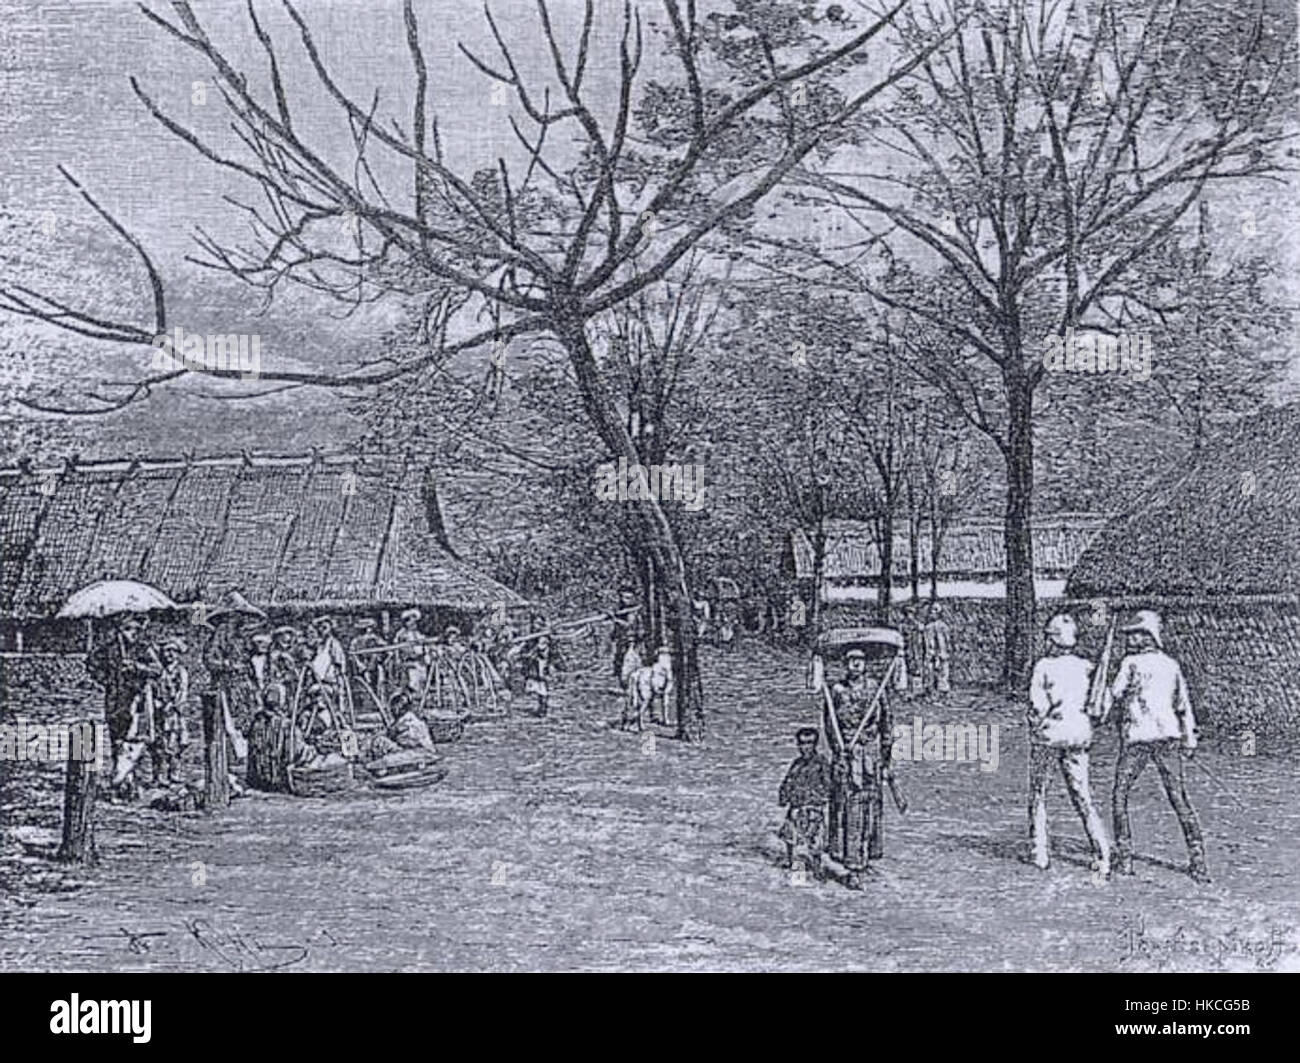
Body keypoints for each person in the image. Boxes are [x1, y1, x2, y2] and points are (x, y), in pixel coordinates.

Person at [1108, 609, 1209, 884]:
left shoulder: (1130, 663)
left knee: (1120, 795)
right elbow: (1184, 706)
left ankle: (1125, 856)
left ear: (1147, 636)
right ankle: (1197, 859)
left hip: (1139, 739)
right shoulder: (1171, 665)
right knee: (1178, 797)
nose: (1129, 638)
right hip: (1167, 738)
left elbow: (1113, 695)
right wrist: (1189, 738)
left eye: (1134, 634)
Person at [1027, 613, 1110, 878]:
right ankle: (1102, 852)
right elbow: (1102, 705)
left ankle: (1040, 852)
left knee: (1039, 794)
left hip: (1050, 736)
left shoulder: (1043, 667)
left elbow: (1037, 706)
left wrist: (1034, 724)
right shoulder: (1088, 667)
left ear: (1052, 639)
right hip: (1079, 735)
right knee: (1083, 796)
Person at [824, 646, 896, 889]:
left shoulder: (876, 689)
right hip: (847, 755)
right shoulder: (836, 690)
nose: (855, 664)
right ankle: (851, 864)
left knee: (870, 807)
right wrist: (839, 749)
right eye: (851, 660)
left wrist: (886, 757)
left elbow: (887, 723)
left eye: (860, 660)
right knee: (849, 808)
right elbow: (830, 725)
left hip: (871, 756)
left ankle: (866, 857)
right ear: (845, 664)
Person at [86, 613, 163, 800]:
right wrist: (108, 680)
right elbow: (91, 665)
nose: (133, 633)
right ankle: (122, 782)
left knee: (135, 742)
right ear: (120, 630)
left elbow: (157, 669)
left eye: (136, 629)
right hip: (115, 700)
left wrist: (136, 667)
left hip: (137, 702)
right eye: (129, 629)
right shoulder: (108, 649)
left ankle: (131, 783)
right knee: (117, 741)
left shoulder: (143, 648)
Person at [202, 590, 267, 789]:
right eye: (236, 615)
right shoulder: (220, 635)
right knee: (228, 727)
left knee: (247, 726)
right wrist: (229, 665)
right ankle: (228, 772)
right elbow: (209, 661)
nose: (239, 620)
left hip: (244, 687)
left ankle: (246, 770)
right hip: (226, 686)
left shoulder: (242, 637)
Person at [777, 727, 830, 875]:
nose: (805, 747)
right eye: (802, 743)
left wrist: (817, 798)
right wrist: (784, 795)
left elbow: (828, 785)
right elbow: (788, 781)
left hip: (812, 808)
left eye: (809, 743)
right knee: (792, 840)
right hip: (795, 808)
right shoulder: (797, 764)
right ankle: (796, 870)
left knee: (815, 843)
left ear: (815, 744)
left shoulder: (821, 763)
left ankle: (818, 870)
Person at [151, 636, 191, 786]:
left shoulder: (181, 672)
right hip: (160, 713)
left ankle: (175, 774)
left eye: (173, 651)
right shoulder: (160, 672)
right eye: (166, 651)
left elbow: (183, 692)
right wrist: (157, 702)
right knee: (160, 745)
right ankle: (160, 776)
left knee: (174, 745)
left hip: (174, 714)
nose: (169, 654)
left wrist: (173, 705)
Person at [393, 608, 429, 695]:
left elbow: (424, 646)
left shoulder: (418, 634)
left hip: (420, 661)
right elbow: (397, 648)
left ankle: (419, 697)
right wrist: (398, 659)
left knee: (422, 679)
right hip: (408, 661)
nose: (413, 624)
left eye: (414, 621)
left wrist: (426, 654)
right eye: (410, 621)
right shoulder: (401, 634)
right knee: (413, 681)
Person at [522, 633, 558, 717]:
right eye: (541, 643)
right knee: (538, 692)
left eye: (545, 643)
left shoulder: (549, 652)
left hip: (542, 675)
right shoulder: (535, 653)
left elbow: (552, 661)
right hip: (537, 675)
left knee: (543, 692)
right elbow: (529, 658)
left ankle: (543, 709)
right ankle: (539, 708)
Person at [923, 603, 952, 695]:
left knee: (943, 671)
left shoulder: (943, 626)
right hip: (930, 652)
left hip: (942, 652)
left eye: (935, 611)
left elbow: (947, 640)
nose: (933, 613)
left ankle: (943, 690)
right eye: (932, 611)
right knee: (929, 670)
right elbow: (925, 641)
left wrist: (945, 650)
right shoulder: (928, 627)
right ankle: (930, 689)